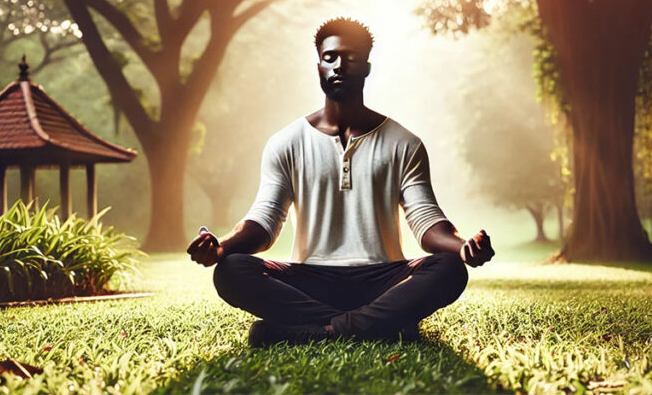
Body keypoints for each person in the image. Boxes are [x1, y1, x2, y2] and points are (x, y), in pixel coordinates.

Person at [187, 17, 494, 347]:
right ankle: (381, 326)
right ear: (318, 66)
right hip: (308, 279)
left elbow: (427, 222)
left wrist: (462, 247)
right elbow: (264, 221)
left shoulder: (404, 143)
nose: (339, 66)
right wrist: (221, 247)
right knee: (231, 270)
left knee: (449, 269)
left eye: (351, 57)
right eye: (330, 57)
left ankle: (315, 332)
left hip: (383, 277)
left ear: (367, 67)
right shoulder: (285, 143)